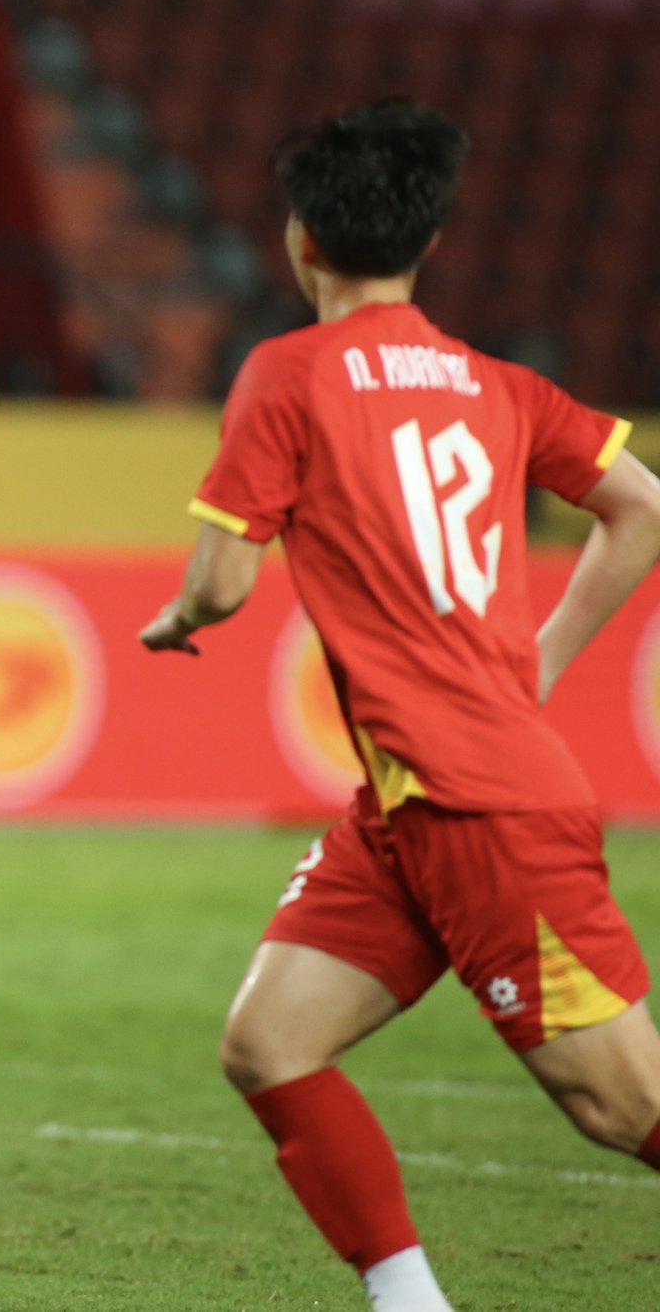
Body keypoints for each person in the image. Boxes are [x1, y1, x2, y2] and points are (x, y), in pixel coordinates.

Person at [140, 100, 660, 1312]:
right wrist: (537, 661)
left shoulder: (285, 374)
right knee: (269, 1043)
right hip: (405, 805)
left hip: (483, 809)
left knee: (620, 1103)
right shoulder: (496, 383)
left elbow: (222, 583)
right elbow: (640, 505)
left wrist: (179, 616)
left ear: (302, 239)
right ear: (425, 242)